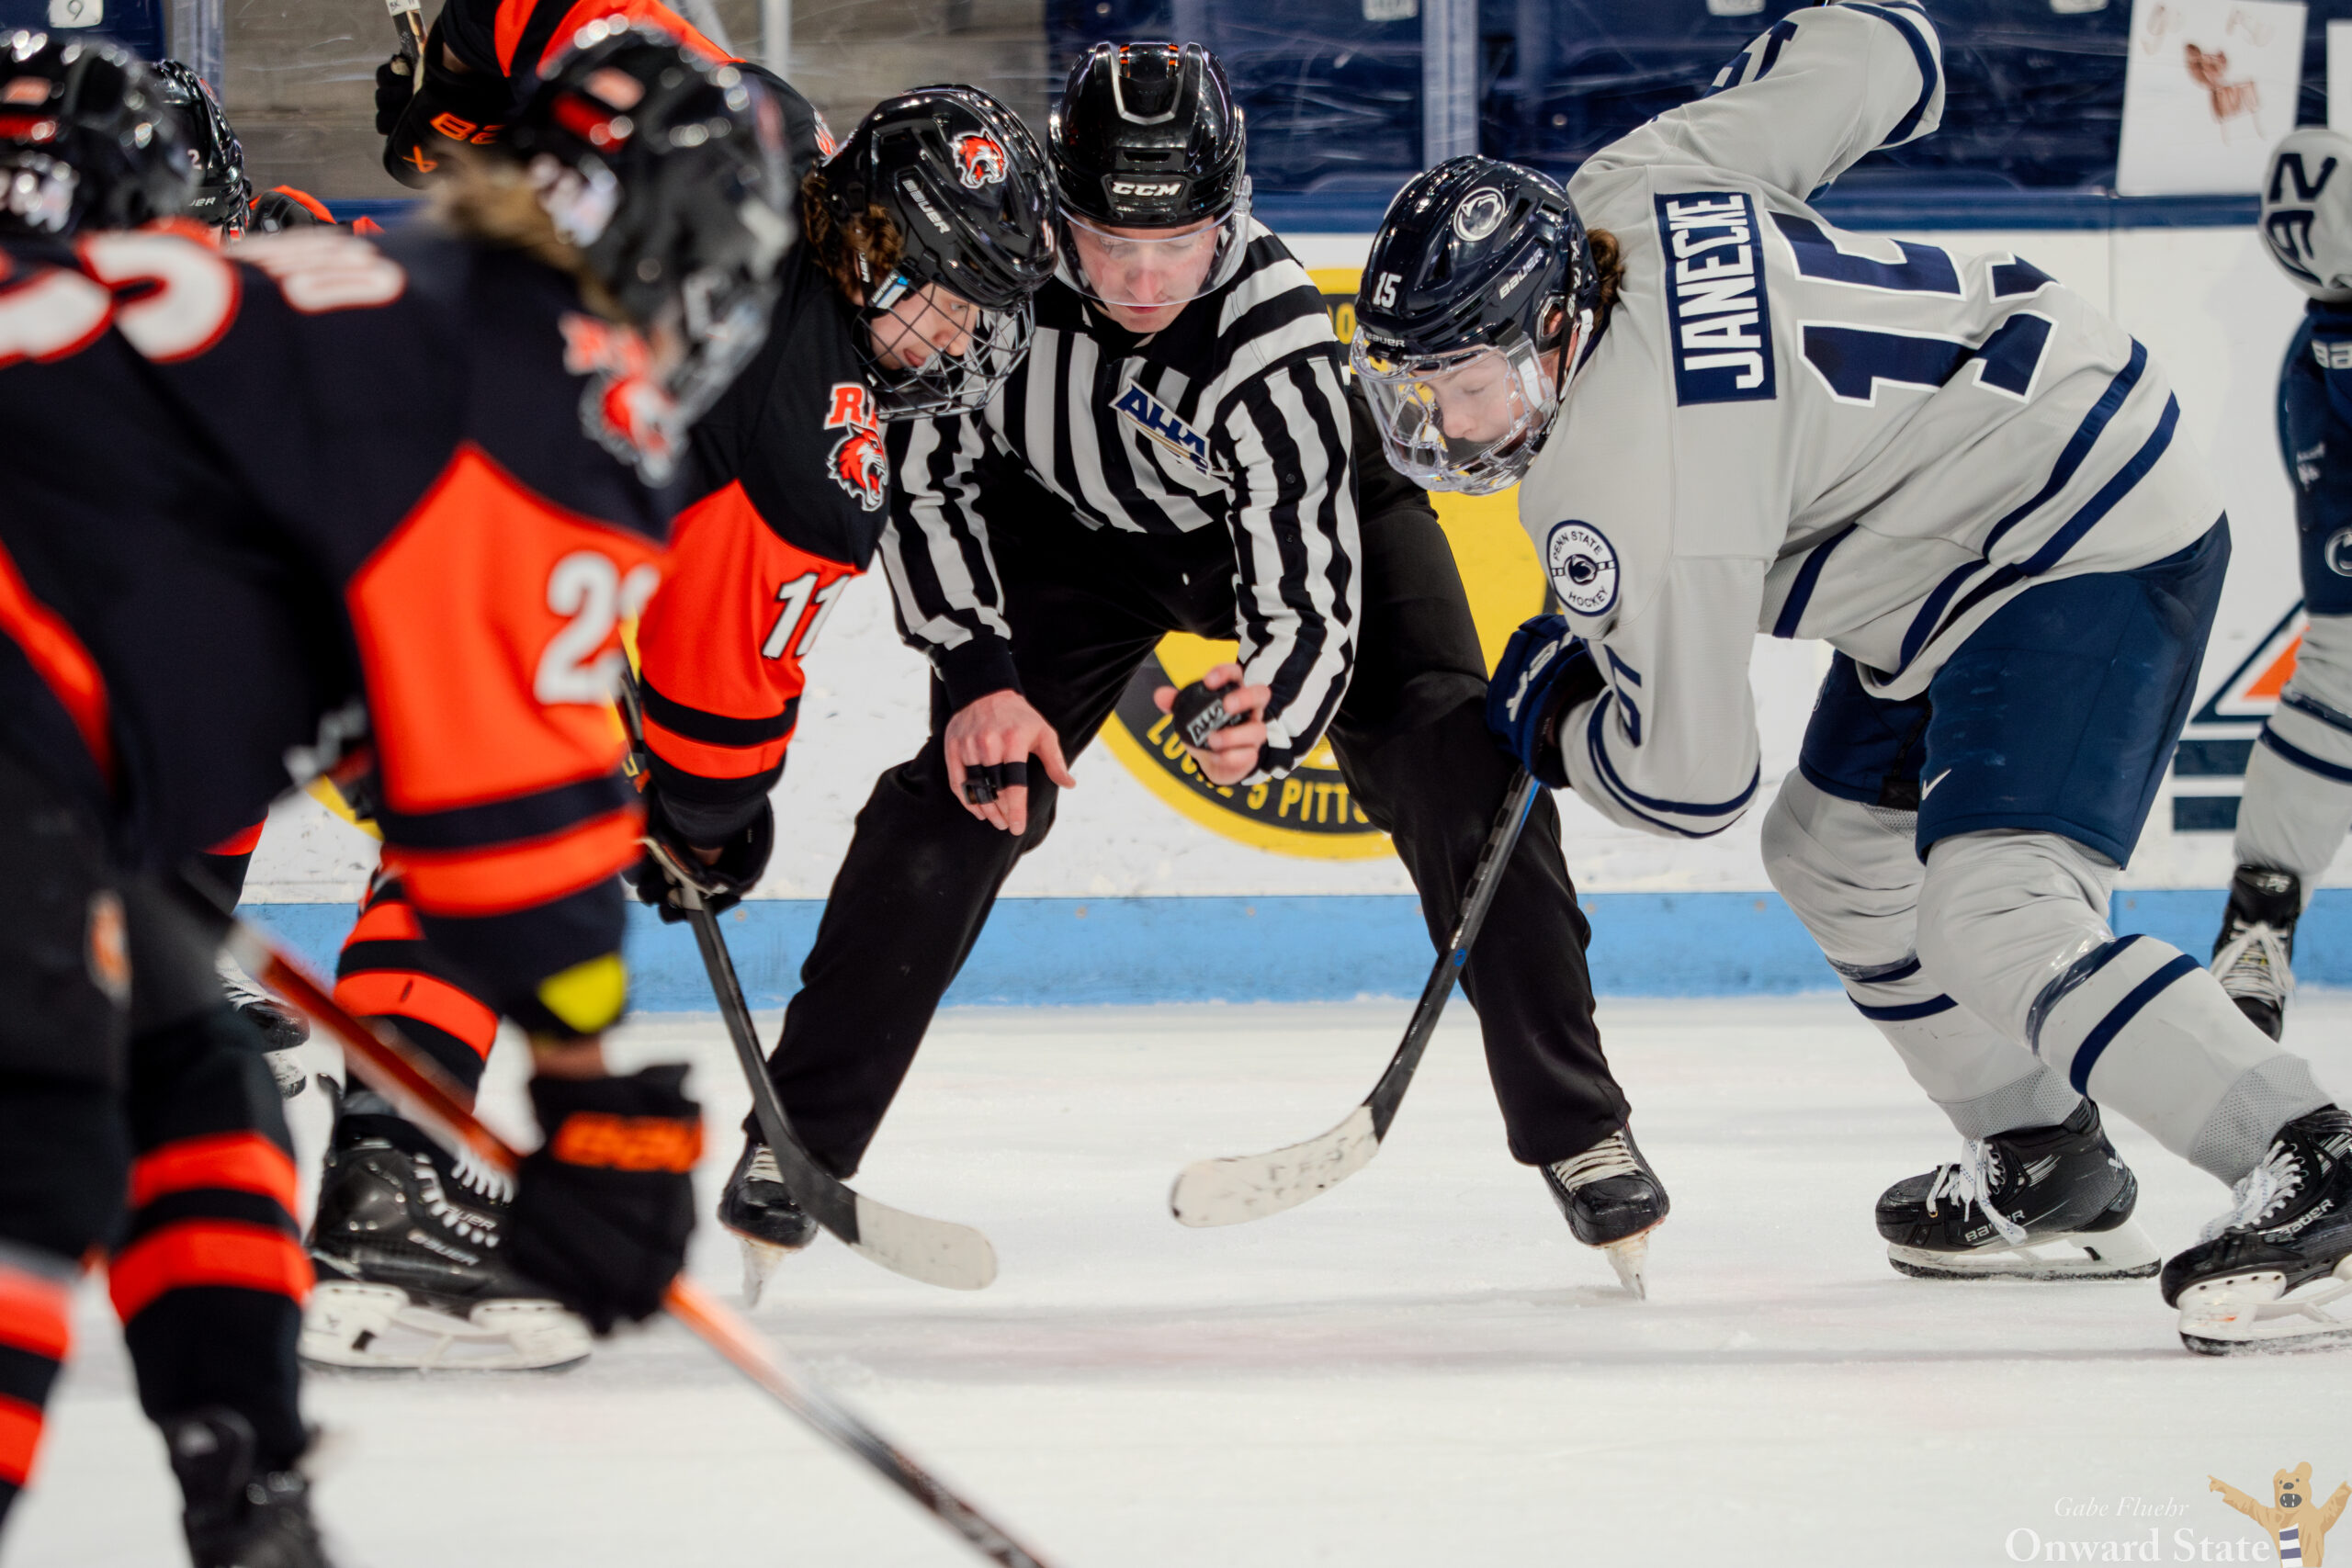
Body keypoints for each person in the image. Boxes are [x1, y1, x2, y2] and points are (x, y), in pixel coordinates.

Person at [1351, 1, 2350, 1353]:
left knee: (1999, 912)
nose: (1440, 421)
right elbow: (1890, 49)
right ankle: (2046, 1157)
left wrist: (1554, 715)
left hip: (2076, 533)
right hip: (1988, 478)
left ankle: (2309, 1148)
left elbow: (1687, 778)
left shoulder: (1626, 483)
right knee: (1832, 851)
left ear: (1551, 332)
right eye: (1414, 381)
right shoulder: (1635, 187)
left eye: (1463, 381)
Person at [0, 27, 792, 1561]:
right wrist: (586, 1084)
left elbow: (388, 695)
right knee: (40, 1132)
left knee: (194, 1076)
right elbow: (504, 790)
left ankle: (255, 1500)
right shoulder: (546, 371)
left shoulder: (385, 293)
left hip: (46, 754)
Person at [715, 39, 1667, 1300]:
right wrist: (977, 662)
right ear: (1059, 208)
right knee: (964, 794)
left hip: (1291, 526)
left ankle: (1580, 1125)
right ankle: (800, 1138)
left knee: (1451, 753)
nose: (1143, 277)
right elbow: (929, 469)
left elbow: (1312, 590)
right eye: (1110, 241)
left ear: (1234, 213)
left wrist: (1278, 706)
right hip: (1068, 531)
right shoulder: (995, 266)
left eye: (1180, 244)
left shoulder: (1270, 337)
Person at [297, 74, 1059, 1365]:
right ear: (872, 246)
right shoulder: (822, 432)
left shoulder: (773, 169)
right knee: (515, 816)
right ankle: (387, 1198)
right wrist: (710, 819)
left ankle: (386, 1171)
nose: (956, 339)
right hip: (393, 500)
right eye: (943, 296)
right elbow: (713, 712)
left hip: (335, 413)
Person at [2207, 127, 2352, 1042]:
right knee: (2338, 667)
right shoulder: (2324, 356)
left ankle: (2256, 924)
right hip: (2330, 397)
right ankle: (2256, 924)